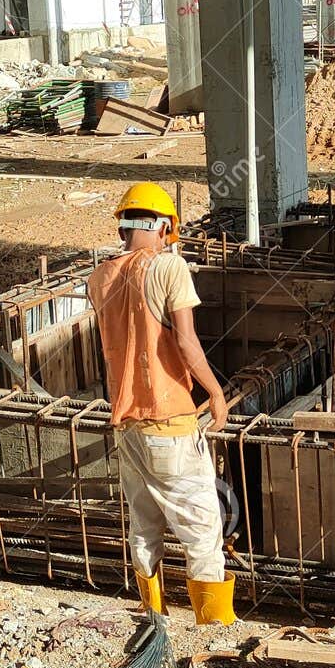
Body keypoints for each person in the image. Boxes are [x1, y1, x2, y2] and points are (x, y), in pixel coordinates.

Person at [86, 182, 235, 629]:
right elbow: (187, 343)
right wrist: (216, 392)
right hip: (168, 420)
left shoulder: (99, 277)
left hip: (125, 423)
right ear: (165, 226)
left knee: (145, 521)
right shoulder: (170, 268)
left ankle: (154, 615)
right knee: (201, 526)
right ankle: (212, 623)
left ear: (123, 225)